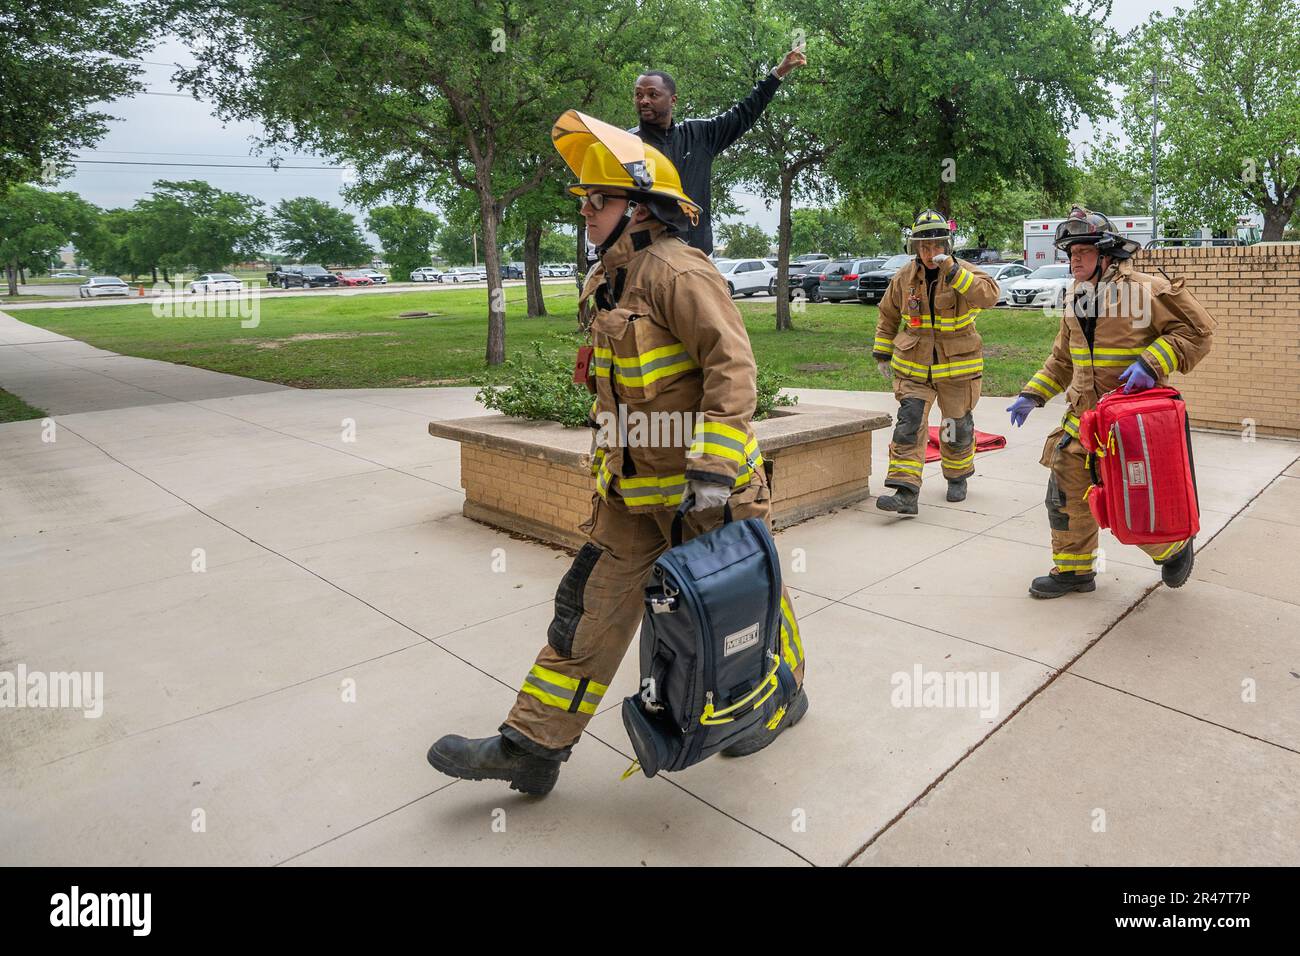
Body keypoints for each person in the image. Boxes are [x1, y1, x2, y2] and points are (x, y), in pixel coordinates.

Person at [426, 112, 807, 796]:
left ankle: (782, 699)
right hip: (633, 500)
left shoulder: (678, 272)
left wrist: (715, 474)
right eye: (585, 202)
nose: (588, 212)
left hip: (706, 497)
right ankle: (533, 745)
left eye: (598, 200)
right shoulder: (610, 279)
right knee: (587, 616)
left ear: (640, 208)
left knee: (743, 608)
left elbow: (734, 369)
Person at [1006, 206, 1216, 598]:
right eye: (1070, 254)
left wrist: (1151, 363)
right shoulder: (1075, 297)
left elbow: (1197, 332)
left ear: (1106, 255)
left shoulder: (1145, 291)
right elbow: (1062, 359)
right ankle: (1074, 572)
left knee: (1133, 499)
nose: (1074, 261)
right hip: (1083, 420)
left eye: (1083, 252)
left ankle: (1172, 549)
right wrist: (1031, 394)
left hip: (1129, 425)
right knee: (1065, 495)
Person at [872, 210, 1000, 515]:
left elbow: (990, 296)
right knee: (910, 422)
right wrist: (882, 352)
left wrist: (955, 274)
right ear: (915, 248)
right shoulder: (904, 277)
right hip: (914, 368)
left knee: (953, 427)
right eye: (925, 247)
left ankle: (957, 477)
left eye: (937, 246)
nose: (931, 254)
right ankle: (905, 491)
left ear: (948, 245)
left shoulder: (964, 272)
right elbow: (888, 315)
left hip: (957, 370)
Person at [631, 47, 806, 255]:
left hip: (695, 251)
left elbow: (743, 114)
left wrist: (777, 74)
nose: (644, 100)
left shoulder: (699, 135)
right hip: (646, 252)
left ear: (673, 100)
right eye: (638, 94)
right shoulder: (627, 144)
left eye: (653, 94)